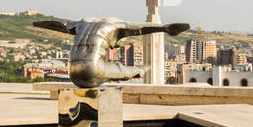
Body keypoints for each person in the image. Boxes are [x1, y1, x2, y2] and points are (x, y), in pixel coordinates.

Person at [34, 17, 188, 88]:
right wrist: (165, 28)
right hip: (91, 70)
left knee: (106, 69)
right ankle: (141, 71)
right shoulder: (116, 26)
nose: (115, 46)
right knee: (133, 70)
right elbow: (140, 28)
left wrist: (38, 22)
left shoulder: (81, 23)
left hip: (72, 72)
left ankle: (139, 71)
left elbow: (59, 24)